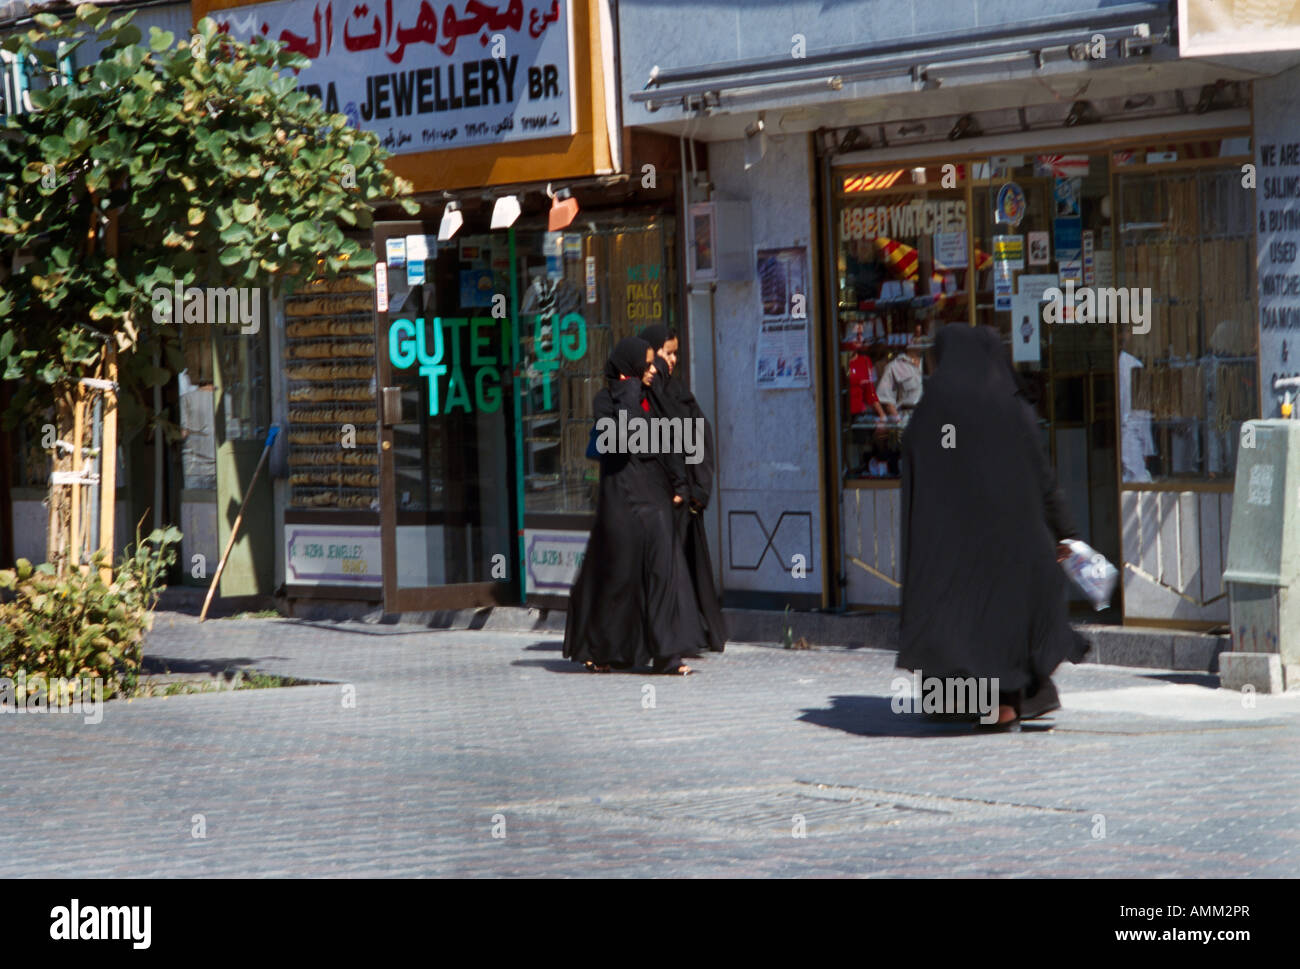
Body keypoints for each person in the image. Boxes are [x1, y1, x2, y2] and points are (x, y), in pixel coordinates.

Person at [896, 324, 1089, 727]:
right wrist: (1068, 533)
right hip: (1014, 551)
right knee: (1011, 613)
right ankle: (1010, 700)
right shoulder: (1011, 408)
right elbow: (1044, 481)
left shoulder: (932, 412)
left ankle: (974, 702)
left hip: (951, 553)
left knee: (956, 624)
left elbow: (918, 469)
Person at [563, 336, 697, 675]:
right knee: (619, 580)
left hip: (655, 500)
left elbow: (671, 440)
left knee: (663, 574)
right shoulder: (606, 401)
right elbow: (621, 439)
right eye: (646, 365)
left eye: (654, 364)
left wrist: (681, 483)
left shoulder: (653, 397)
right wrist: (629, 393)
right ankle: (604, 649)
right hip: (621, 502)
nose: (653, 370)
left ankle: (669, 656)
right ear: (629, 369)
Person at [640, 324, 727, 655]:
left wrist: (697, 491)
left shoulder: (675, 393)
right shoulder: (645, 394)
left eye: (675, 353)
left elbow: (698, 440)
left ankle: (686, 632)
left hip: (684, 499)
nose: (671, 360)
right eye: (666, 352)